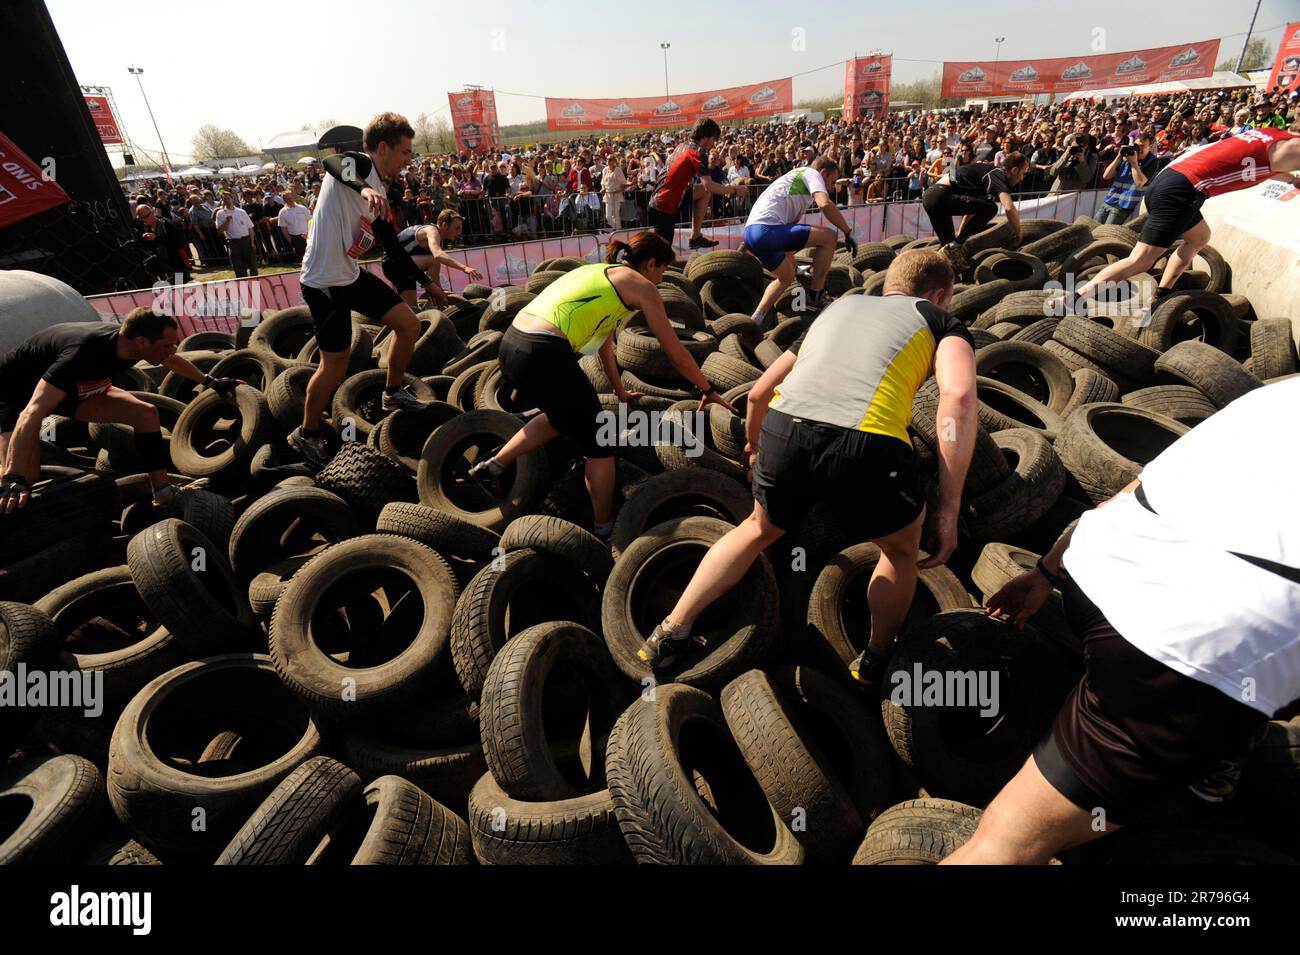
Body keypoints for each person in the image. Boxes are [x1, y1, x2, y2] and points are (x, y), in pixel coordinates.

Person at [948, 377, 1300, 864]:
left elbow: (1138, 487)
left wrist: (1046, 571)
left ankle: (1197, 734)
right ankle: (1192, 749)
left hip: (1098, 572)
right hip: (1199, 649)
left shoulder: (1280, 394)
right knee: (1007, 845)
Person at [635, 250, 977, 674]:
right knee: (899, 550)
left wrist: (757, 448)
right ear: (940, 295)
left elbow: (759, 393)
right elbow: (958, 396)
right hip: (866, 440)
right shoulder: (942, 322)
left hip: (785, 426)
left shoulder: (838, 307)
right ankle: (875, 656)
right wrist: (948, 508)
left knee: (758, 528)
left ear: (890, 282)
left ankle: (669, 631)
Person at [466, 232, 733, 543]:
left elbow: (604, 345)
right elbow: (674, 351)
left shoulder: (595, 272)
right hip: (543, 352)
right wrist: (706, 388)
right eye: (662, 270)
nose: (662, 279)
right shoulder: (643, 287)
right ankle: (605, 529)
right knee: (601, 443)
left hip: (512, 346)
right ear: (650, 264)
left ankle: (491, 467)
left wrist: (619, 391)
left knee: (561, 416)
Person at [290, 112, 437, 468]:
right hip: (323, 283)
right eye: (404, 152)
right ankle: (306, 435)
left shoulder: (382, 192)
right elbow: (332, 162)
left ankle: (392, 392)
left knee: (409, 324)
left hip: (350, 276)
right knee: (334, 367)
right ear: (383, 147)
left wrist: (428, 283)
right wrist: (366, 188)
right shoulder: (357, 164)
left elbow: (392, 245)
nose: (407, 160)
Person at [0, 308, 238, 512]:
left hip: (70, 389)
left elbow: (170, 360)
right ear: (143, 341)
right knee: (23, 480)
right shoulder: (83, 353)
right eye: (167, 345)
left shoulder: (133, 343)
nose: (172, 350)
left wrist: (211, 382)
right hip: (14, 394)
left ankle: (163, 492)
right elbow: (31, 413)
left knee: (145, 413)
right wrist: (14, 476)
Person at [1073, 124, 1300, 309]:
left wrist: (1291, 178)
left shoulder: (1272, 133)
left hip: (1171, 179)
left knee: (1199, 237)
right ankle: (1074, 298)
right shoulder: (1293, 148)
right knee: (1140, 261)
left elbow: (1264, 164)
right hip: (1182, 191)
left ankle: (1161, 293)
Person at [740, 156, 858, 330]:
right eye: (832, 182)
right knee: (830, 237)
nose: (832, 188)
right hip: (765, 229)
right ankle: (817, 295)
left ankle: (755, 320)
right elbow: (825, 205)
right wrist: (847, 232)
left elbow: (788, 241)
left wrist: (797, 270)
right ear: (823, 173)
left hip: (751, 234)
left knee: (786, 276)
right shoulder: (811, 173)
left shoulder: (796, 187)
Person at [921, 153, 1028, 269]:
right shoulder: (997, 174)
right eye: (1023, 173)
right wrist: (1018, 234)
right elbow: (1008, 207)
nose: (1022, 179)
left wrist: (960, 236)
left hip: (931, 198)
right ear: (1015, 170)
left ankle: (927, 274)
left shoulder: (988, 176)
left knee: (949, 251)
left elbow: (972, 209)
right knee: (991, 208)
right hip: (940, 195)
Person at [647, 119, 741, 250]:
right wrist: (736, 190)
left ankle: (695, 237)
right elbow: (710, 185)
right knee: (661, 257)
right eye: (714, 140)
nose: (713, 145)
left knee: (703, 191)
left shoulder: (683, 145)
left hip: (666, 199)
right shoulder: (698, 152)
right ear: (708, 137)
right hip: (663, 206)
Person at [384, 211, 483, 310]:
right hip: (393, 264)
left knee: (412, 309)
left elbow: (432, 274)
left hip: (401, 268)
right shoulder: (432, 231)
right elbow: (438, 255)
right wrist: (464, 268)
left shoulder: (438, 237)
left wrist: (439, 290)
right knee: (434, 261)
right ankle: (432, 303)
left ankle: (432, 305)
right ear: (444, 225)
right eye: (457, 228)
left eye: (460, 229)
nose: (460, 233)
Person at [1094, 133, 1156, 226]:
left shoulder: (1153, 161)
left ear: (1150, 147)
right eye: (1137, 146)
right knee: (1093, 228)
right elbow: (1106, 176)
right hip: (1109, 200)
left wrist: (1134, 163)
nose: (1139, 149)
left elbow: (1140, 182)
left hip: (1124, 206)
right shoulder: (1126, 157)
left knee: (1105, 234)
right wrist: (1119, 157)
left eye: (1142, 146)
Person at [215, 191, 257, 278]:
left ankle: (256, 286)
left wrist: (252, 243)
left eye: (228, 198)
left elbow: (250, 228)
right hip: (233, 243)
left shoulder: (241, 211)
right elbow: (219, 231)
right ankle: (243, 287)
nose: (227, 200)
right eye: (224, 199)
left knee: (253, 266)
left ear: (232, 199)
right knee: (239, 268)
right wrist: (227, 222)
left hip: (246, 240)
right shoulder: (220, 214)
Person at [276, 189, 311, 261]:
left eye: (291, 197)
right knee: (302, 259)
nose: (290, 200)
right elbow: (284, 229)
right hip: (295, 238)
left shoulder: (302, 208)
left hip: (308, 236)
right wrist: (291, 240)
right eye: (288, 199)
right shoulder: (282, 212)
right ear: (284, 200)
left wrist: (310, 234)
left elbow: (310, 221)